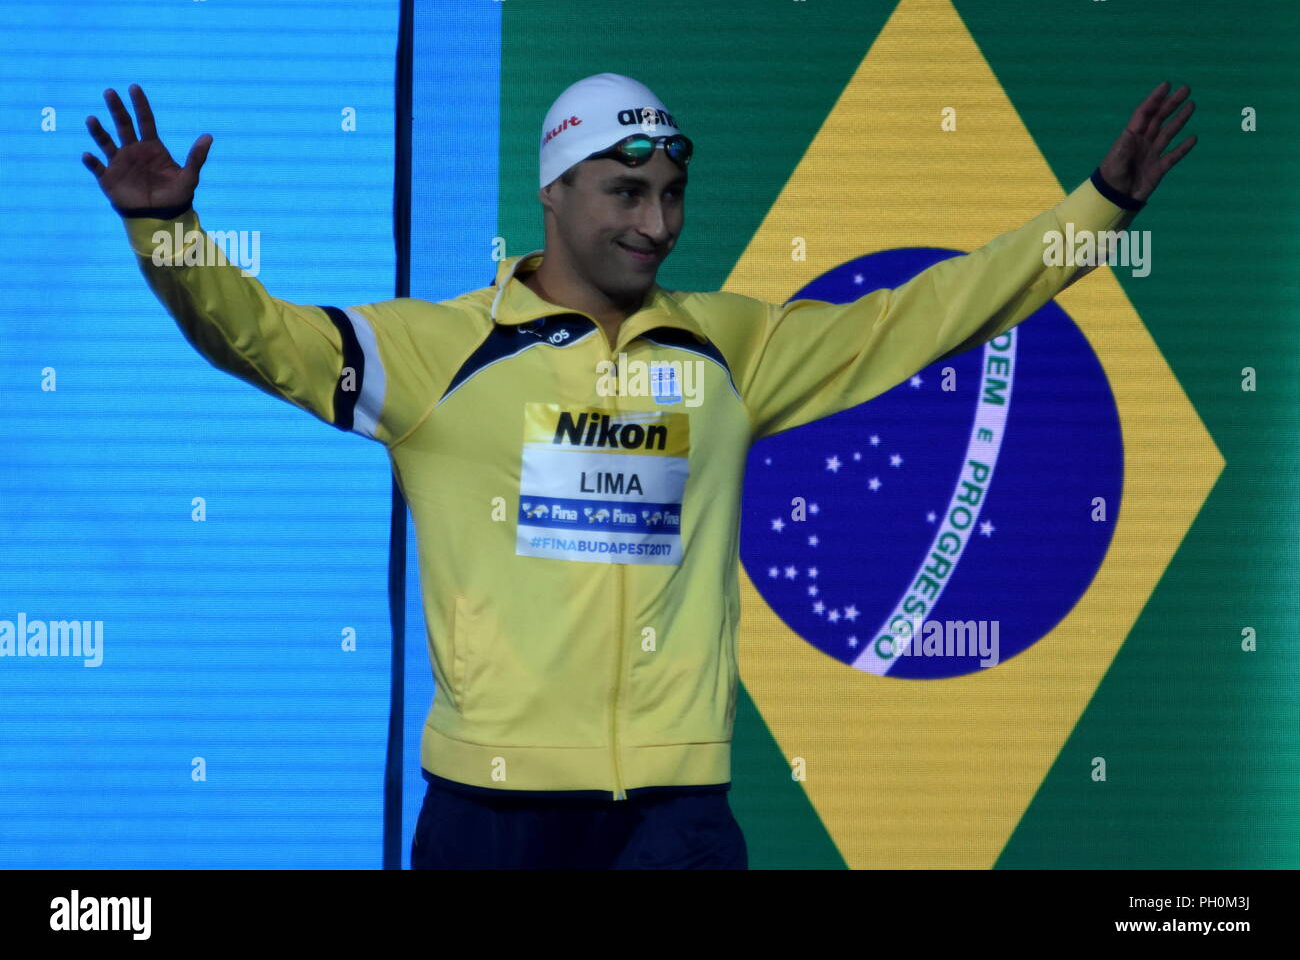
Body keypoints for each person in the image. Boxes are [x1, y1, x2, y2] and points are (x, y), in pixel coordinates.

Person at [82, 73, 1195, 870]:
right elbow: (256, 336)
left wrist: (1096, 211)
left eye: (669, 196)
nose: (656, 223)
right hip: (492, 810)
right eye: (625, 193)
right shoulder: (437, 352)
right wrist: (170, 232)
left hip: (676, 816)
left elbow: (930, 316)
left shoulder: (731, 348)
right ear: (554, 191)